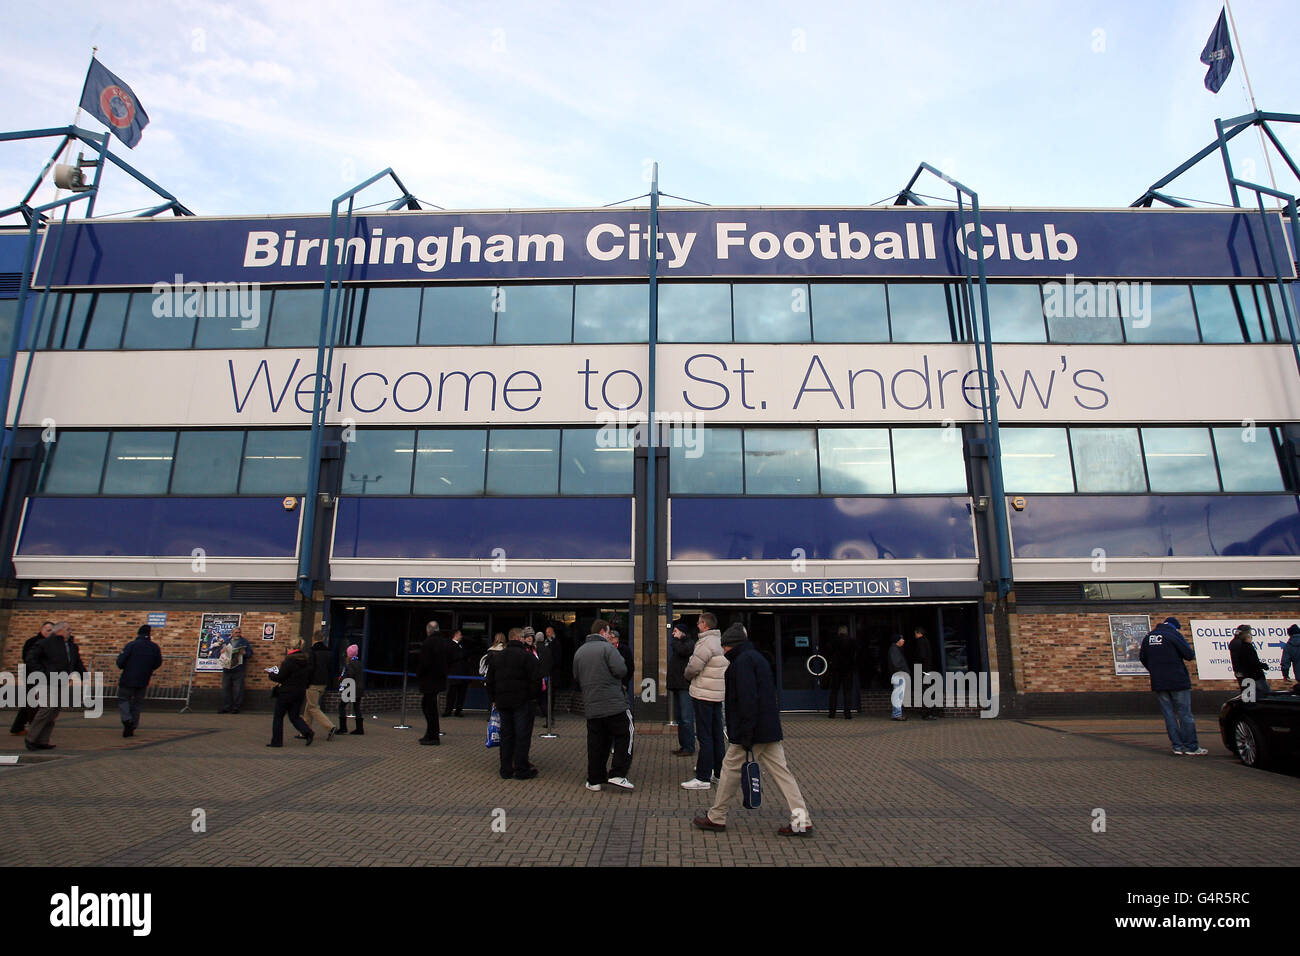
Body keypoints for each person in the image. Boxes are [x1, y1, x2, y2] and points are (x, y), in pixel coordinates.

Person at [692, 623, 813, 837]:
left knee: (730, 769)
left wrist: (745, 734)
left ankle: (716, 817)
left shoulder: (742, 663)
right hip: (767, 728)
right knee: (782, 774)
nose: (724, 652)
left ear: (732, 645)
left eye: (725, 648)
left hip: (751, 731)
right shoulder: (756, 658)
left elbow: (748, 700)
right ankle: (801, 819)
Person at [573, 618, 633, 791]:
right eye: (608, 632)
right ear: (602, 632)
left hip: (592, 704)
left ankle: (594, 779)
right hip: (614, 703)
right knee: (625, 734)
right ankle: (618, 773)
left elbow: (576, 676)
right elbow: (621, 670)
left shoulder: (580, 651)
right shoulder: (608, 648)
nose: (609, 635)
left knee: (596, 742)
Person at [1138, 616, 1206, 755]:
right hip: (1178, 680)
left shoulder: (1148, 637)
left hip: (1159, 682)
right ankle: (1191, 747)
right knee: (1185, 714)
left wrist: (1154, 670)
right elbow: (1188, 654)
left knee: (1168, 714)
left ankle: (1177, 746)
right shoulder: (1173, 634)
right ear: (1175, 626)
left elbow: (1142, 657)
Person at [485, 627, 542, 779]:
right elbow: (536, 680)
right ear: (519, 638)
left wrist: (494, 699)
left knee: (506, 735)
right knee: (522, 735)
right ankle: (521, 769)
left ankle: (505, 768)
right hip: (522, 702)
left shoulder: (497, 657)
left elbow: (489, 681)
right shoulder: (527, 657)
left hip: (503, 702)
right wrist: (529, 696)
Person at [682, 612, 728, 790]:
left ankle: (702, 777)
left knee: (704, 735)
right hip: (717, 694)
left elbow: (694, 666)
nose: (697, 625)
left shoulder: (705, 643)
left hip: (703, 694)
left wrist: (687, 676)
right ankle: (718, 772)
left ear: (705, 625)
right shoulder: (720, 641)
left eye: (699, 622)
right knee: (717, 734)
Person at [25, 621, 86, 751]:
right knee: (47, 709)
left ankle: (42, 740)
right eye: (68, 629)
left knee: (53, 713)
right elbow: (31, 659)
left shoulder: (71, 646)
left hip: (62, 682)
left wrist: (83, 674)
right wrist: (42, 673)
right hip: (47, 682)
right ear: (59, 631)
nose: (70, 631)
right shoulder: (45, 644)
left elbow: (76, 662)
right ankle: (31, 738)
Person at [116, 624, 162, 737]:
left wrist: (124, 666)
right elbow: (158, 662)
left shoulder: (131, 645)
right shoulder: (154, 647)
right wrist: (148, 669)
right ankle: (133, 725)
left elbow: (120, 662)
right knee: (137, 703)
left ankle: (127, 719)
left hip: (128, 678)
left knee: (123, 699)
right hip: (143, 679)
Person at [267, 637, 315, 747]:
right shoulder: (305, 660)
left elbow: (280, 677)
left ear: (291, 648)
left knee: (278, 717)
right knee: (294, 716)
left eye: (287, 648)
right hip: (299, 692)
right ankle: (307, 732)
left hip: (286, 692)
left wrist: (271, 674)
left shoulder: (289, 661)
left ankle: (277, 741)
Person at [9, 621, 53, 735]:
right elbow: (28, 659)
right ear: (41, 630)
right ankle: (31, 727)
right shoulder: (33, 642)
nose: (50, 633)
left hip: (43, 676)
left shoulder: (50, 643)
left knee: (31, 701)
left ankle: (18, 727)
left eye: (51, 631)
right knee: (33, 701)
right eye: (48, 630)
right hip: (32, 675)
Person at [667, 618, 696, 757]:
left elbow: (683, 651)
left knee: (686, 718)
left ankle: (689, 747)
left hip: (685, 686)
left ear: (683, 632)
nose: (673, 634)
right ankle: (683, 745)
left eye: (676, 631)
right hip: (677, 686)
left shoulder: (689, 644)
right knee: (680, 718)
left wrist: (676, 641)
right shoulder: (678, 644)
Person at [302, 629, 337, 741]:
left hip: (313, 683)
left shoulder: (312, 651)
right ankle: (305, 730)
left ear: (314, 638)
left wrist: (306, 682)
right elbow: (331, 668)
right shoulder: (329, 652)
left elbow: (310, 668)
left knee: (313, 707)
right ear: (323, 638)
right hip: (323, 683)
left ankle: (330, 727)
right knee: (309, 706)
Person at [417, 621, 448, 745]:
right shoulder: (443, 642)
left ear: (428, 630)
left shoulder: (428, 643)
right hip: (439, 679)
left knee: (429, 707)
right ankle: (430, 734)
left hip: (429, 680)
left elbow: (424, 662)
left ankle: (433, 736)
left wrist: (419, 674)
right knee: (430, 707)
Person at [216, 627, 253, 714]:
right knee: (226, 689)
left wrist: (245, 653)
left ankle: (236, 707)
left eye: (239, 632)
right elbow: (218, 653)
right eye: (236, 632)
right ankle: (226, 706)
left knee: (238, 689)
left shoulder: (244, 642)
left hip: (238, 669)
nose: (237, 634)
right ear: (232, 633)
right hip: (227, 668)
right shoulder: (226, 642)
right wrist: (220, 651)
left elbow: (250, 654)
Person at [1229, 623, 1270, 696]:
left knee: (1248, 697)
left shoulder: (1234, 643)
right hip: (1254, 675)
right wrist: (1263, 665)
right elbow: (1252, 661)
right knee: (1265, 695)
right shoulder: (1246, 646)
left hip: (1242, 674)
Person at [827, 625, 856, 720]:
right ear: (847, 632)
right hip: (848, 669)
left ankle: (832, 713)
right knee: (847, 691)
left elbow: (829, 652)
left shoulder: (834, 641)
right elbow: (855, 654)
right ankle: (847, 713)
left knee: (834, 691)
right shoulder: (852, 642)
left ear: (838, 632)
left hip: (836, 669)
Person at [337, 643, 365, 735]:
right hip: (359, 688)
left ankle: (343, 727)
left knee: (342, 706)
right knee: (357, 707)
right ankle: (360, 728)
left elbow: (349, 676)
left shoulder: (350, 665)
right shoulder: (359, 663)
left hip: (351, 688)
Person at [911, 626, 938, 720]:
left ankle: (929, 713)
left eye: (915, 633)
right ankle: (932, 712)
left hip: (923, 670)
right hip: (928, 669)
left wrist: (916, 665)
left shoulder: (920, 642)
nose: (915, 635)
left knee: (926, 691)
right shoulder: (926, 641)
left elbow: (921, 656)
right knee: (929, 690)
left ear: (919, 633)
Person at [442, 628, 469, 717]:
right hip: (454, 673)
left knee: (462, 693)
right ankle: (448, 710)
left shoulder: (462, 645)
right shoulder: (449, 644)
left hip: (463, 673)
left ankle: (458, 710)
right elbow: (451, 657)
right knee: (452, 693)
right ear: (456, 634)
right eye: (460, 634)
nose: (461, 636)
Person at [535, 625, 556, 723]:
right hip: (547, 676)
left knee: (540, 697)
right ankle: (549, 716)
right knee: (545, 697)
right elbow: (551, 662)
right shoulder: (547, 649)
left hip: (538, 677)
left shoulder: (535, 650)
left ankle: (547, 715)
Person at [887, 634, 908, 721]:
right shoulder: (894, 650)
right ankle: (897, 714)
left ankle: (896, 714)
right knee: (898, 695)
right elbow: (896, 664)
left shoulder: (895, 649)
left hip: (898, 675)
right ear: (897, 640)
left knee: (898, 695)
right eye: (902, 639)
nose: (903, 640)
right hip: (899, 675)